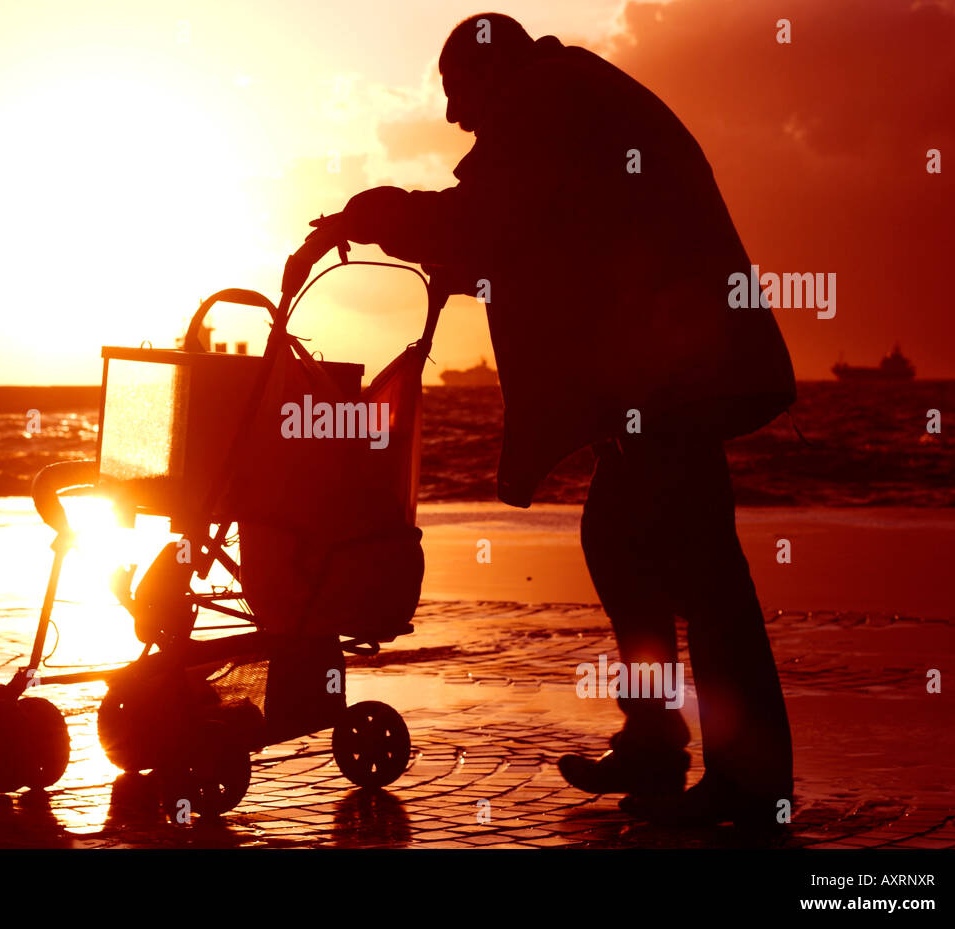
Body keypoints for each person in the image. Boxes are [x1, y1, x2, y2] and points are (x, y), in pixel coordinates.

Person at [300, 12, 796, 827]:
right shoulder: (564, 92)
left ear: (490, 70)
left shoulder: (545, 98)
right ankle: (660, 743)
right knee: (624, 538)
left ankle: (750, 780)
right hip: (673, 363)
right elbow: (531, 232)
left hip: (680, 363)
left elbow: (487, 221)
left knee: (701, 567)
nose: (458, 118)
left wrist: (373, 213)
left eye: (460, 95)